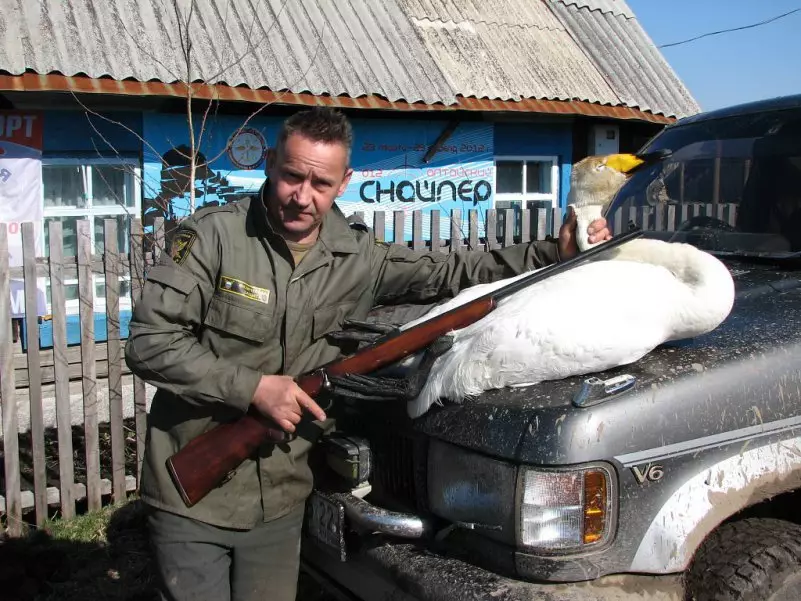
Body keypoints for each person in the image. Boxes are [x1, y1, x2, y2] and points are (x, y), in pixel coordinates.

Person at [124, 107, 612, 601]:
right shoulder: (213, 237)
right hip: (193, 494)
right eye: (292, 176)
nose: (302, 196)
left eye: (320, 183)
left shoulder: (359, 256)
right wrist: (253, 388)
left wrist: (553, 253)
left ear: (344, 183)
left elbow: (450, 272)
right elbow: (148, 343)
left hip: (280, 497)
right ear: (269, 163)